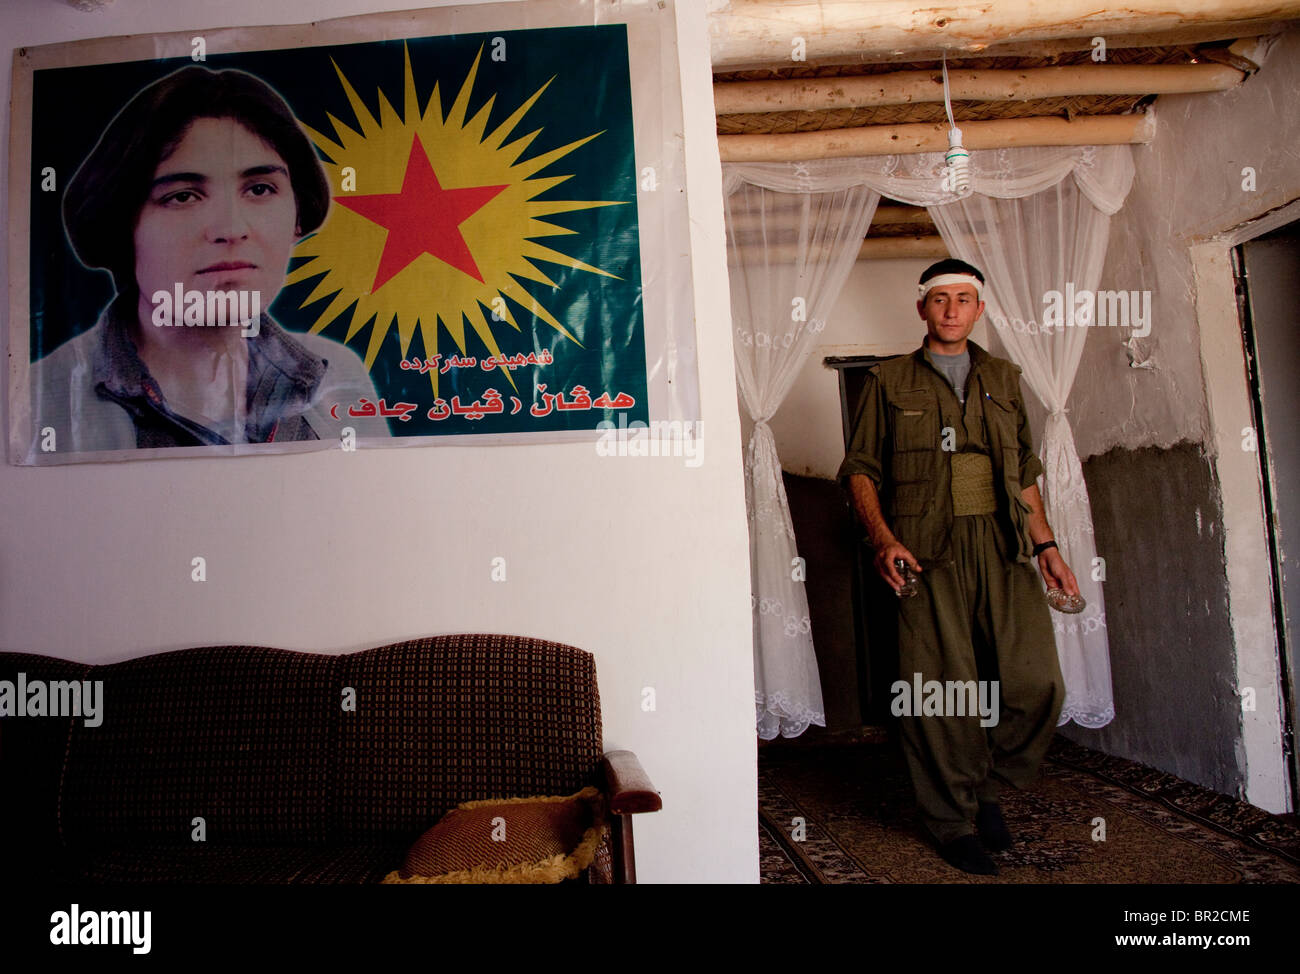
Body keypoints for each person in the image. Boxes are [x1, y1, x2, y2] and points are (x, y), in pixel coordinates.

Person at [838, 258, 1077, 875]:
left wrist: (1046, 546)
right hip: (926, 548)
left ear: (979, 309)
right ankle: (950, 820)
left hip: (1002, 542)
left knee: (1033, 683)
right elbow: (861, 468)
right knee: (940, 692)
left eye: (963, 299)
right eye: (939, 299)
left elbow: (1023, 472)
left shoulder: (1003, 375)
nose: (951, 310)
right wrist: (882, 538)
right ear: (922, 309)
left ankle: (984, 785)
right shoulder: (888, 380)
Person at [27, 65, 389, 459]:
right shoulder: (38, 401)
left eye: (260, 188)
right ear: (120, 225)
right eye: (183, 196)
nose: (231, 229)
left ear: (298, 216)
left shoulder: (336, 373)